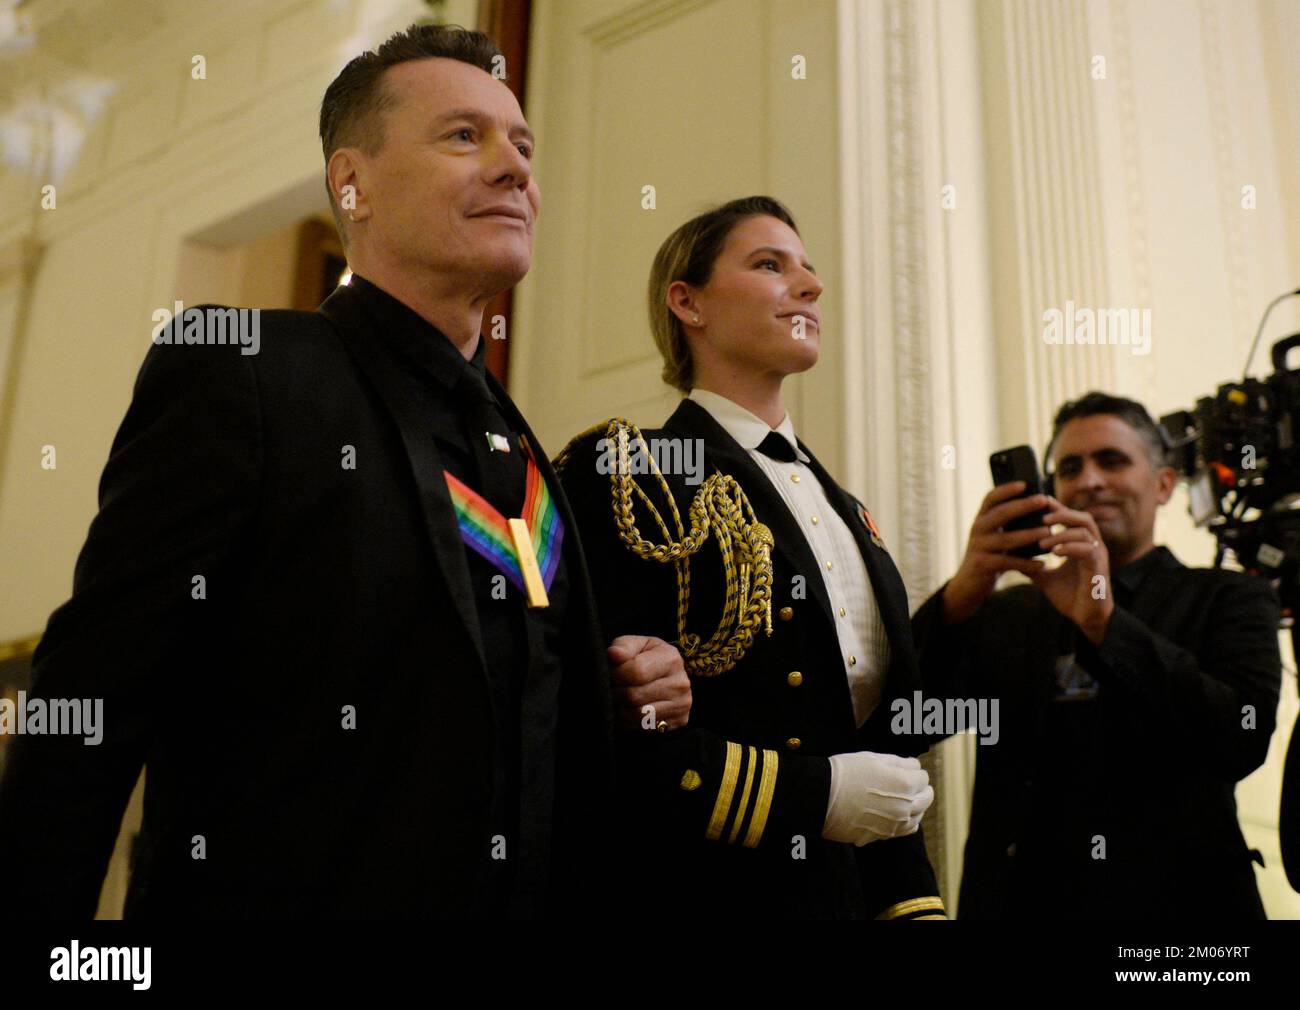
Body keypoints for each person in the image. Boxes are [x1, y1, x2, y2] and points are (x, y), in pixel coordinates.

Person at [0, 24, 689, 919]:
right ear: (351, 184)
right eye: (462, 135)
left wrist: (616, 689)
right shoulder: (241, 370)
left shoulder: (520, 452)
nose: (515, 167)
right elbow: (89, 705)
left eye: (523, 144)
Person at [557, 196, 944, 920]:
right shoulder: (626, 470)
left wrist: (914, 905)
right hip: (700, 891)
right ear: (688, 302)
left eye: (809, 269)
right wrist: (812, 798)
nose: (810, 286)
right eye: (770, 265)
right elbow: (602, 725)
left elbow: (885, 746)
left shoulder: (848, 509)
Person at [912, 392, 1283, 918]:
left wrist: (1104, 624)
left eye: (1112, 461)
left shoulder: (1229, 597)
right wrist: (961, 594)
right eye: (1069, 467)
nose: (1088, 481)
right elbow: (903, 726)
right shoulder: (1008, 610)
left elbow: (1240, 739)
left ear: (1163, 484)